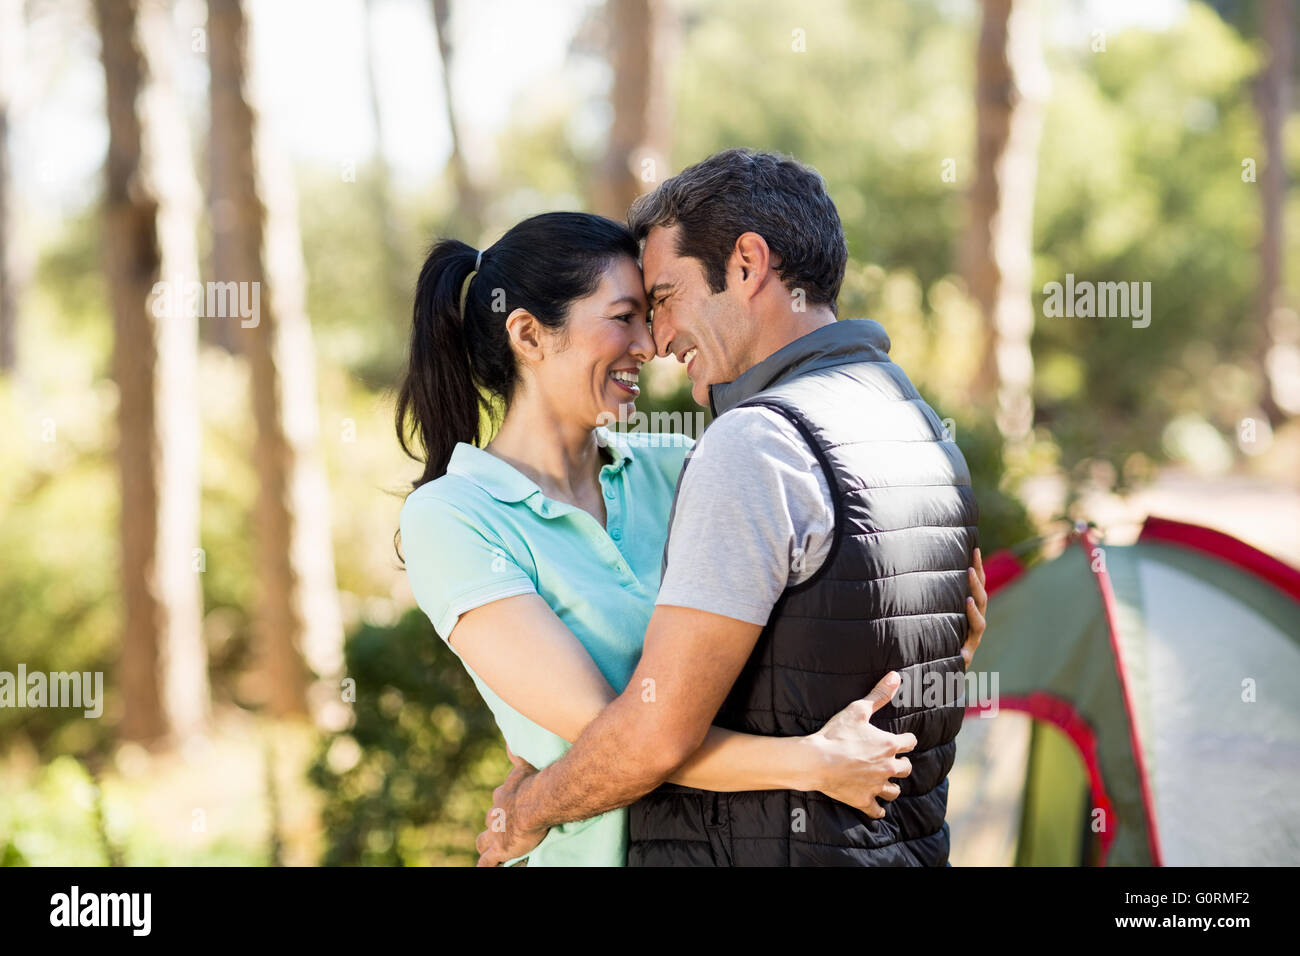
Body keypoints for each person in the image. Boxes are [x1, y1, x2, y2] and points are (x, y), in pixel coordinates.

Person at [397, 210, 987, 867]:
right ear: (529, 334)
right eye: (623, 317)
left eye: (650, 316)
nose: (649, 346)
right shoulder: (453, 518)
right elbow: (618, 735)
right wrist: (810, 762)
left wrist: (920, 627)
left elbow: (788, 647)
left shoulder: (679, 463)